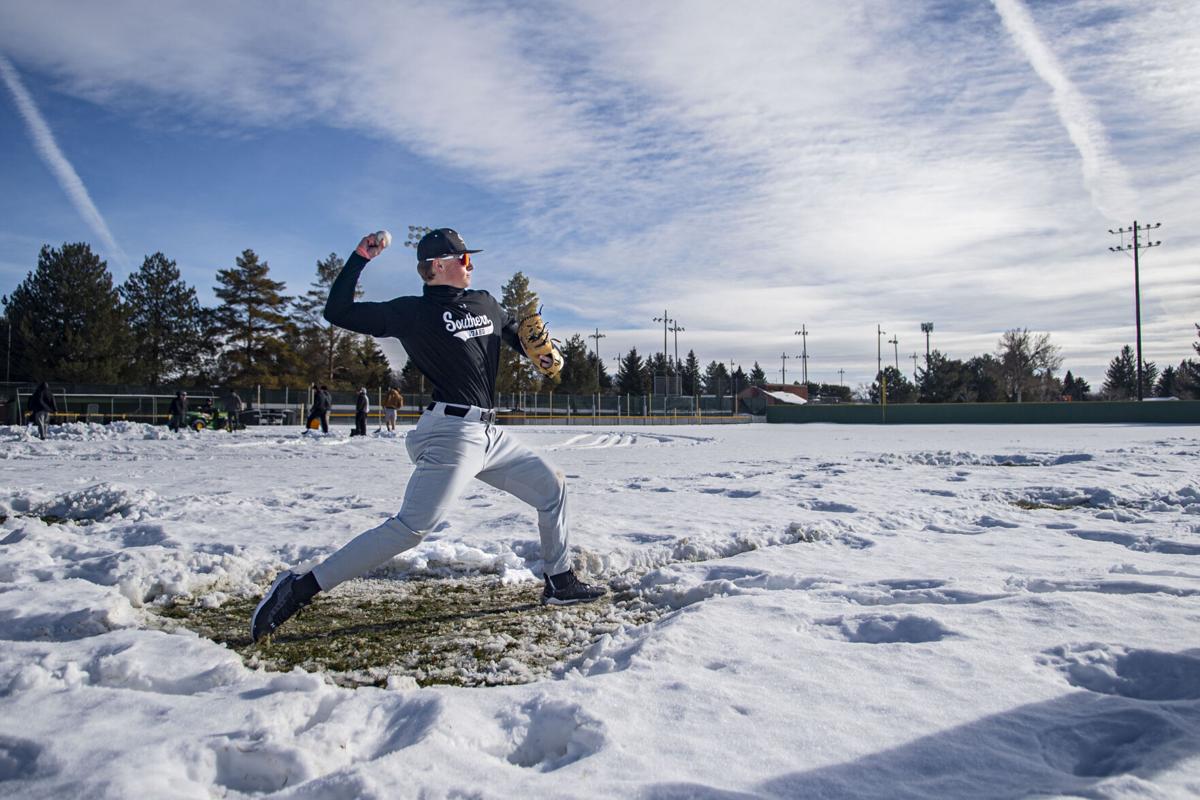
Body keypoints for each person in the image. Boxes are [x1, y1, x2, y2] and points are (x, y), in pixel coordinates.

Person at [251, 228, 605, 642]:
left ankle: (559, 581)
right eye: (463, 258)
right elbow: (338, 311)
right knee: (411, 528)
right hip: (452, 433)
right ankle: (299, 588)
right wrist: (360, 257)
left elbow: (517, 334)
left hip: (489, 432)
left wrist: (539, 351)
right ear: (439, 266)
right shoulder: (411, 313)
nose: (470, 264)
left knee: (551, 486)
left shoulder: (486, 302)